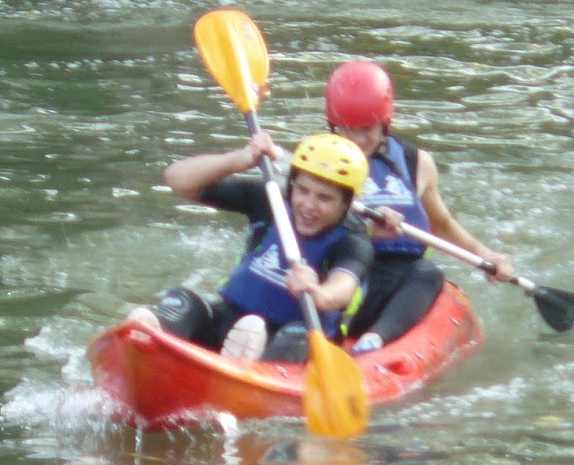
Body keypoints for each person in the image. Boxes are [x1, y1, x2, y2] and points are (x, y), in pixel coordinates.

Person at [128, 131, 373, 363]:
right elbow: (178, 180)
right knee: (182, 301)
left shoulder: (353, 240)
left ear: (346, 204)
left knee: (297, 336)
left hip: (290, 341)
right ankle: (149, 344)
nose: (308, 205)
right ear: (291, 186)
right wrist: (238, 160)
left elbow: (343, 288)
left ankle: (245, 377)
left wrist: (317, 292)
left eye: (324, 198)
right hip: (230, 320)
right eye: (303, 190)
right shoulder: (270, 201)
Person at [324, 59, 514, 352]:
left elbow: (441, 224)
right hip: (342, 274)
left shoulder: (416, 163)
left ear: (385, 121)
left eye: (366, 129)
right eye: (347, 129)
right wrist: (366, 232)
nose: (357, 139)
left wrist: (487, 257)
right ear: (333, 125)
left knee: (429, 273)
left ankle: (375, 340)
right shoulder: (318, 163)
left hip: (394, 283)